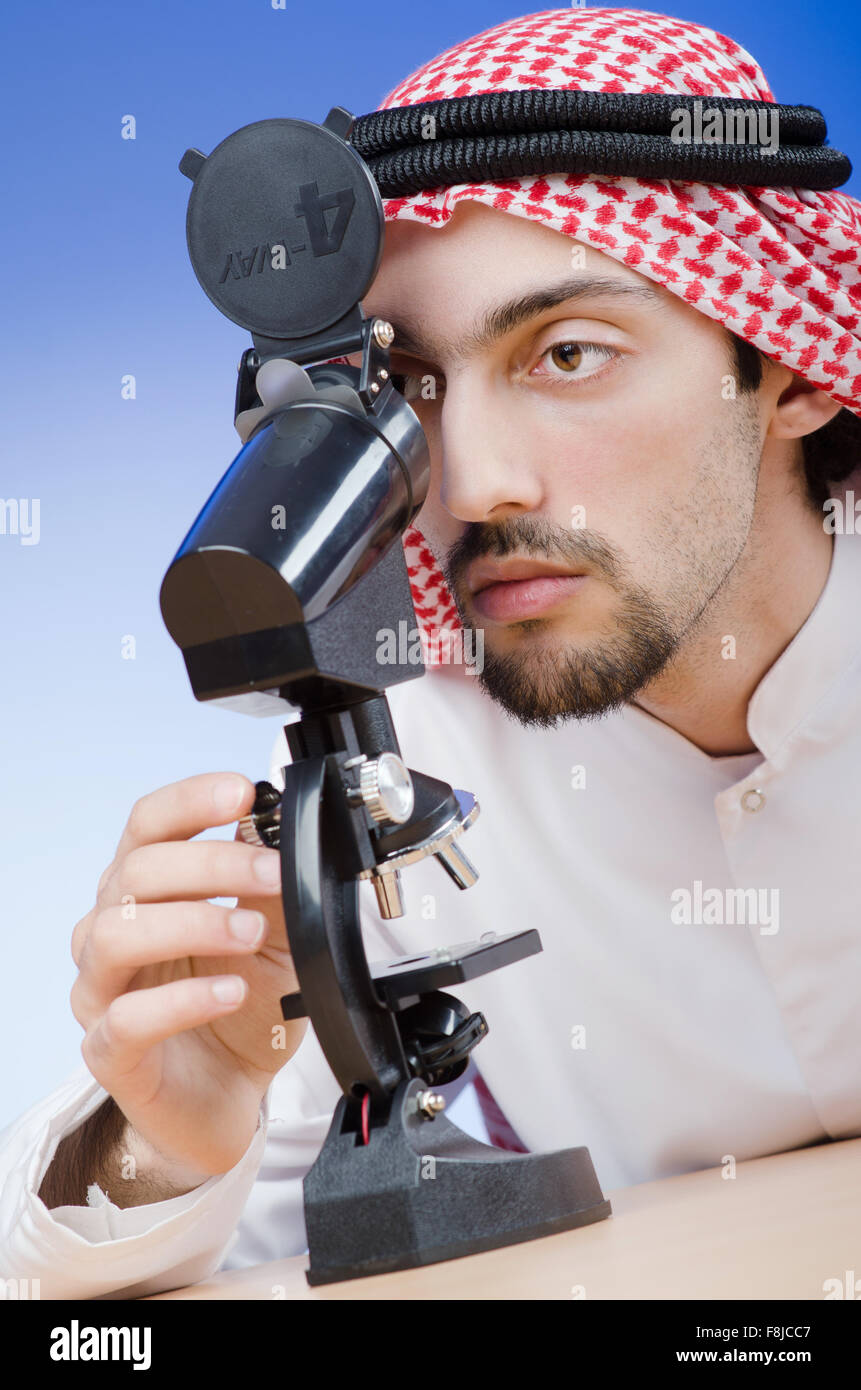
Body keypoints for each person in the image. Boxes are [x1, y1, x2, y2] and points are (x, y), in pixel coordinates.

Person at [2, 6, 861, 1299]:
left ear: (789, 368)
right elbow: (234, 1261)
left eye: (568, 353)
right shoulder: (403, 787)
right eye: (412, 388)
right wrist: (170, 1140)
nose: (470, 481)